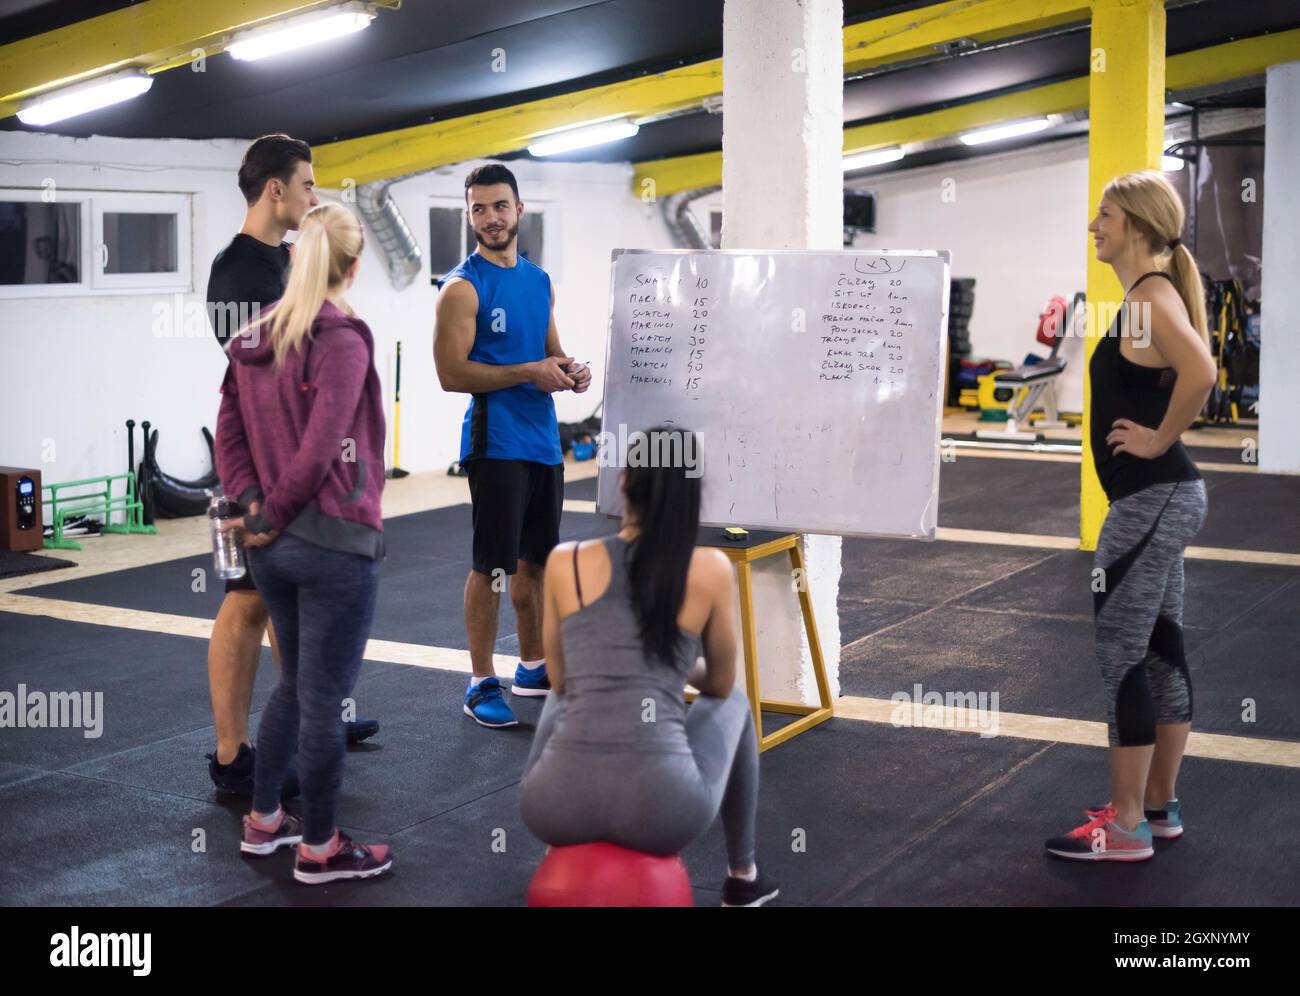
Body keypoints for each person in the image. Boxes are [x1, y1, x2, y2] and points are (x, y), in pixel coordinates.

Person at [519, 426, 779, 906]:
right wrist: (672, 668)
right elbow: (720, 685)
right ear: (692, 495)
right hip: (661, 813)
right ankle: (743, 875)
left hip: (552, 806)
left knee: (565, 690)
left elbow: (560, 680)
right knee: (737, 701)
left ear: (624, 482)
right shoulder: (710, 569)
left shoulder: (564, 562)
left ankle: (574, 836)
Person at [215, 202, 391, 884]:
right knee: (323, 698)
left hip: (272, 548)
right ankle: (320, 846)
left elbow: (228, 437)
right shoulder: (343, 339)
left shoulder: (250, 340)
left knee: (294, 684)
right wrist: (278, 509)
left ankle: (264, 823)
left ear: (297, 259)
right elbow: (323, 447)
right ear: (354, 264)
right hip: (330, 543)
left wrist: (255, 509)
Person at [1046, 170, 1216, 862]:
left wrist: (1156, 438)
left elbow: (1201, 372)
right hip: (1168, 499)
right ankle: (1155, 806)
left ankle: (1123, 830)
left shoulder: (1148, 298)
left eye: (1105, 215)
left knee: (1123, 657)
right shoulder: (1152, 295)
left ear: (1138, 227)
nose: (1095, 226)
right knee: (1159, 650)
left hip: (1151, 498)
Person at [433, 162, 592, 729]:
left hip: (542, 441)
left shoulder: (538, 280)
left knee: (537, 564)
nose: (490, 217)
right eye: (479, 208)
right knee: (493, 566)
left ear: (519, 210)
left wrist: (571, 370)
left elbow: (550, 347)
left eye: (500, 206)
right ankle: (480, 682)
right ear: (469, 215)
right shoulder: (460, 287)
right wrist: (530, 372)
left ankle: (532, 666)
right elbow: (452, 374)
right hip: (494, 441)